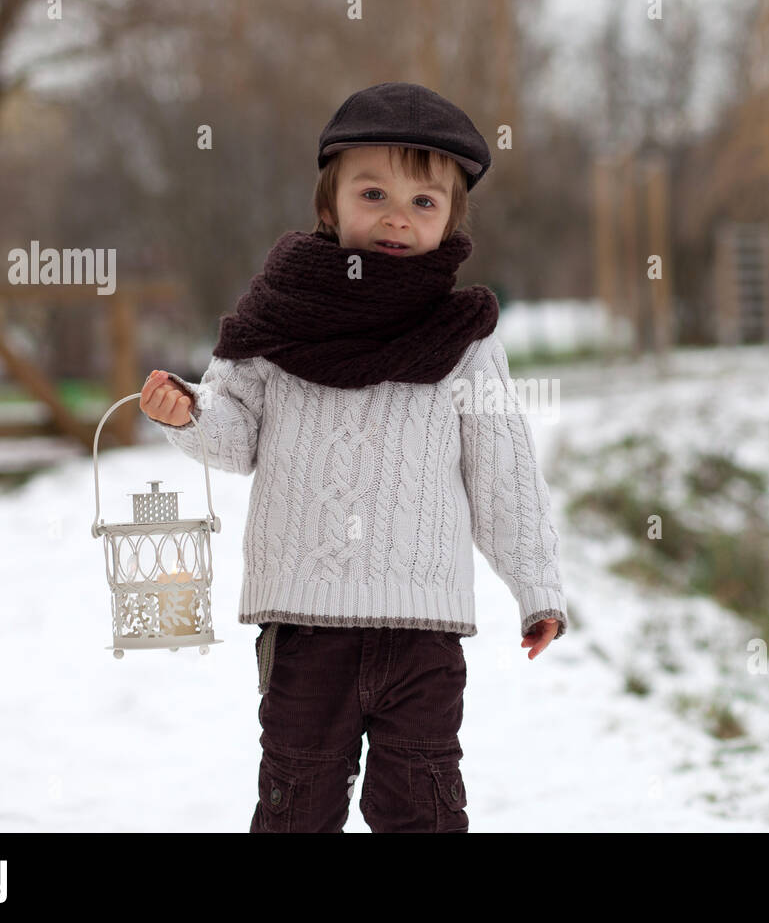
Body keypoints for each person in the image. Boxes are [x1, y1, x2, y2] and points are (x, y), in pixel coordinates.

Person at [137, 82, 569, 833]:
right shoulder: (277, 319)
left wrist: (536, 585)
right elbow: (236, 437)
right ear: (330, 206)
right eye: (375, 193)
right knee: (295, 804)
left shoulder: (466, 342)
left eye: (425, 202)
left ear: (450, 222)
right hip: (306, 625)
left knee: (422, 809)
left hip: (422, 629)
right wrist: (190, 412)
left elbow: (503, 472)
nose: (399, 216)